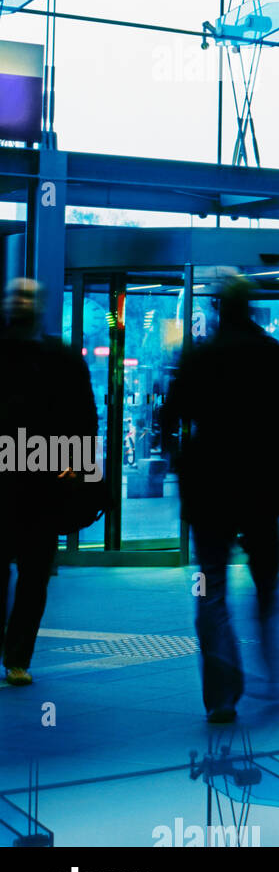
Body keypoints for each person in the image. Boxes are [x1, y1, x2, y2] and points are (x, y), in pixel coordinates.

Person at [161, 275, 279, 724]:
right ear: (250, 308)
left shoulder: (201, 356)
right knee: (267, 581)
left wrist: (180, 463)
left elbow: (170, 416)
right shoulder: (269, 354)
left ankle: (222, 694)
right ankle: (274, 668)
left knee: (211, 588)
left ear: (217, 310)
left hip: (209, 488)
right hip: (260, 487)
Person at [0, 277, 98, 686]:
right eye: (16, 295)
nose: (20, 302)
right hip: (36, 479)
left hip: (37, 482)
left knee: (34, 573)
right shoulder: (60, 358)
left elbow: (84, 419)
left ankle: (17, 655)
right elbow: (84, 417)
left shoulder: (59, 358)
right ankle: (16, 657)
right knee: (33, 573)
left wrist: (80, 470)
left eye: (26, 296)